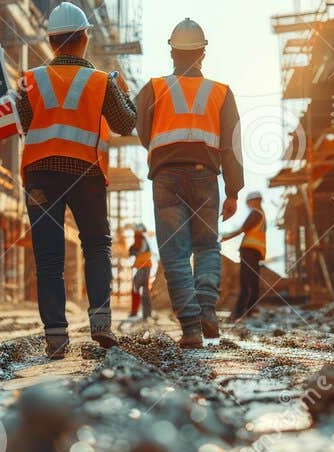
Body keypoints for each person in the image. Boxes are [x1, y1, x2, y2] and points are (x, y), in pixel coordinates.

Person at [16, 2, 136, 359]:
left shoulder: (30, 80)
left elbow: (23, 123)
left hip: (40, 175)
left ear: (52, 42)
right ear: (85, 38)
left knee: (48, 256)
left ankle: (55, 336)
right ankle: (100, 323)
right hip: (85, 173)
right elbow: (126, 124)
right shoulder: (100, 81)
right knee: (96, 246)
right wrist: (122, 90)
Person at [135, 18, 242, 348]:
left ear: (172, 52)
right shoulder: (220, 92)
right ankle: (207, 308)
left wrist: (164, 150)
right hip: (205, 176)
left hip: (166, 177)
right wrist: (234, 190)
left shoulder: (153, 88)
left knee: (175, 255)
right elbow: (231, 144)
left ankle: (191, 330)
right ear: (203, 53)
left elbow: (142, 131)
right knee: (207, 246)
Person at [222, 191, 268, 322]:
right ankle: (248, 311)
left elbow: (243, 229)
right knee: (252, 283)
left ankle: (239, 313)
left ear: (254, 201)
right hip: (256, 252)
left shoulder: (256, 213)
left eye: (248, 202)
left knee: (245, 283)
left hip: (249, 251)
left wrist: (226, 237)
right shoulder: (262, 215)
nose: (248, 205)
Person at [126, 224, 155, 321]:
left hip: (144, 267)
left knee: (137, 287)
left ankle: (139, 312)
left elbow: (137, 250)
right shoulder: (143, 240)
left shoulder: (142, 238)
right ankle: (146, 313)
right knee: (144, 290)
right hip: (143, 267)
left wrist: (132, 251)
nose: (135, 235)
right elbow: (137, 252)